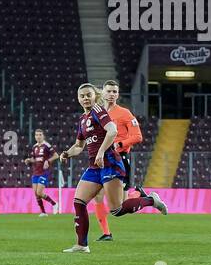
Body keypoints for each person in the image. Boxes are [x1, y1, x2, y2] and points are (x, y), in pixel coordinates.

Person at [56, 83, 167, 253]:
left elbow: (112, 130)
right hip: (94, 167)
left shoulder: (98, 110)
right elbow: (79, 146)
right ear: (78, 99)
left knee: (116, 210)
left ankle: (151, 200)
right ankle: (82, 245)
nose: (85, 98)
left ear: (95, 96)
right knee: (79, 202)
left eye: (88, 95)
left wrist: (101, 152)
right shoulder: (83, 119)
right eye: (82, 96)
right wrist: (66, 153)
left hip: (110, 163)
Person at [90, 79, 145, 241]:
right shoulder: (98, 112)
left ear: (118, 94)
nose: (111, 94)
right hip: (102, 159)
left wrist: (120, 144)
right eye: (109, 91)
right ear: (103, 92)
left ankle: (139, 194)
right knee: (97, 196)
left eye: (114, 91)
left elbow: (137, 136)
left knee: (120, 206)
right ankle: (106, 233)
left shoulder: (124, 113)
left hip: (119, 159)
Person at [23, 129, 58, 215]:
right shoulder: (34, 147)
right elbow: (34, 159)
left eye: (40, 135)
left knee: (39, 192)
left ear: (43, 136)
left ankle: (54, 204)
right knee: (36, 194)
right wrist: (29, 160)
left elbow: (56, 155)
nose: (38, 136)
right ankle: (43, 212)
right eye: (36, 135)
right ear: (35, 136)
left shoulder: (47, 145)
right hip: (35, 172)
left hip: (44, 172)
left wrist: (48, 161)